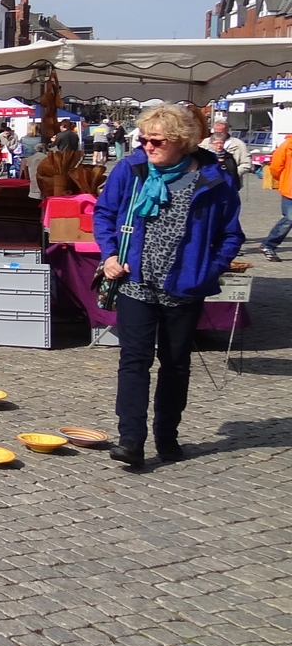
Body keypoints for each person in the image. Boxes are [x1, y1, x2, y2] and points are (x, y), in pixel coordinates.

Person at [94, 104, 244, 468]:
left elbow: (231, 233)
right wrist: (110, 254)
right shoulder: (132, 170)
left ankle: (167, 435)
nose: (148, 146)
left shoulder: (213, 177)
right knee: (134, 360)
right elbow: (104, 214)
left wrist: (210, 269)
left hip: (184, 285)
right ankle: (131, 439)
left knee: (175, 364)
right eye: (144, 139)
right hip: (134, 281)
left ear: (181, 141)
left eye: (156, 140)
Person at [261, 130, 292, 262]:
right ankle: (268, 245)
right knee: (289, 219)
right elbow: (275, 167)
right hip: (290, 190)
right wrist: (284, 180)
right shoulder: (287, 146)